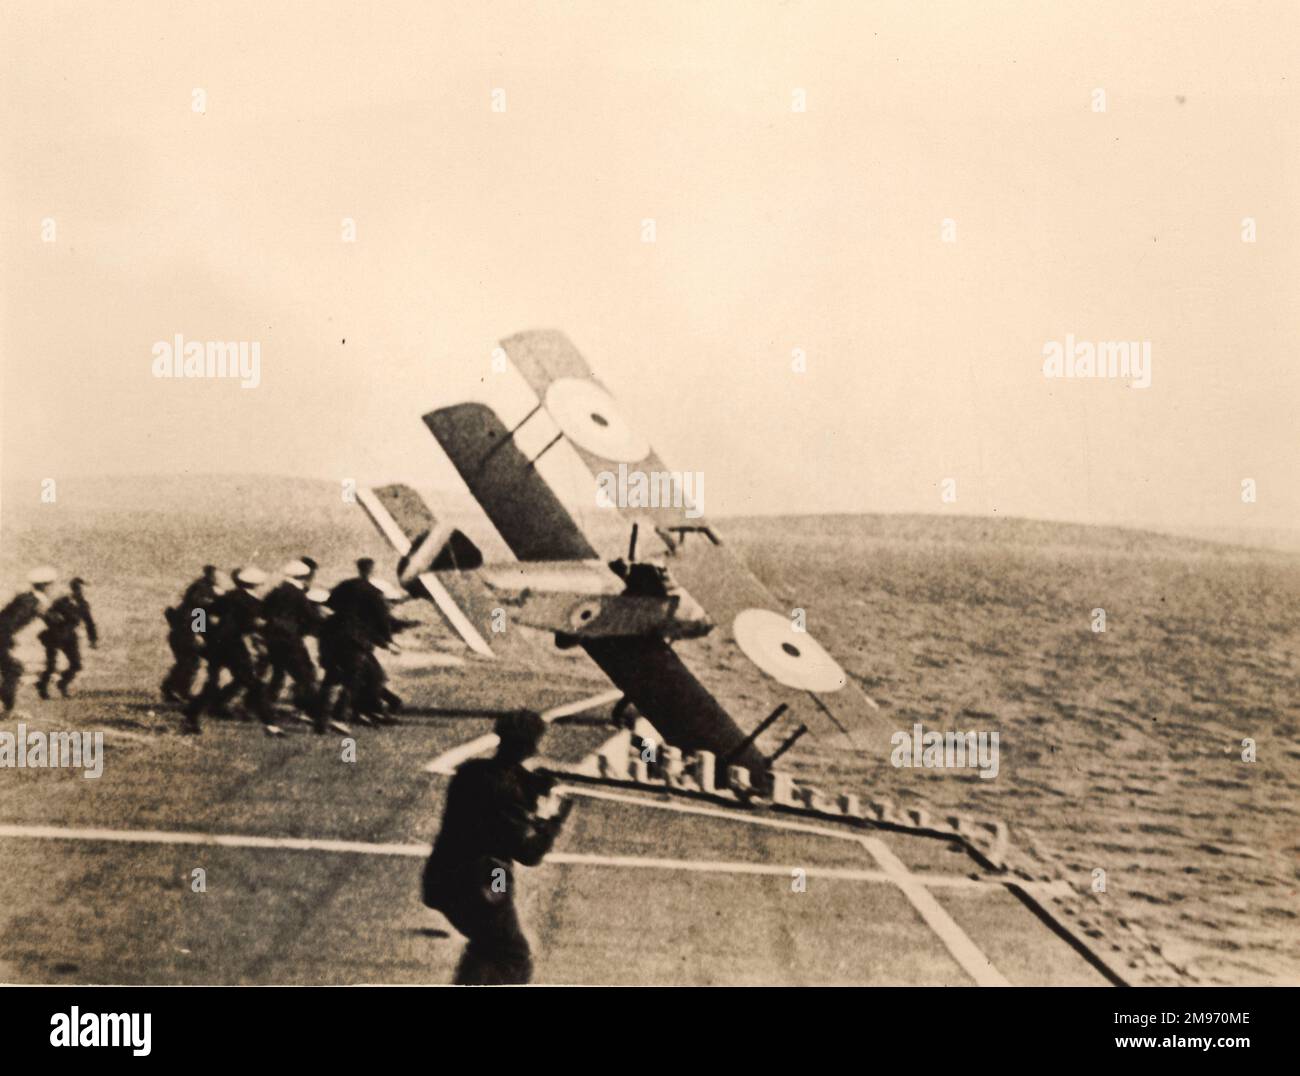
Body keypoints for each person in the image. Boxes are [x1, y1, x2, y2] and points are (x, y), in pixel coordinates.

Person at [421, 710, 574, 984]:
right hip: (485, 882)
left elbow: (495, 782)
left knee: (488, 945)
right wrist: (553, 819)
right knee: (511, 954)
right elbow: (528, 853)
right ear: (531, 746)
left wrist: (529, 784)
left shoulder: (470, 772)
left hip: (443, 877)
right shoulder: (507, 790)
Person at [182, 567, 283, 737]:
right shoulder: (253, 603)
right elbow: (254, 625)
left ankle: (191, 717)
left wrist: (199, 633)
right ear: (257, 584)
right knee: (254, 684)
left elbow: (200, 610)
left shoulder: (229, 596)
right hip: (233, 646)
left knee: (212, 684)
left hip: (215, 644)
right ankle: (270, 725)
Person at [0, 567, 57, 712]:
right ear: (45, 585)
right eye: (51, 584)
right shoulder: (31, 601)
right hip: (2, 636)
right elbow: (10, 620)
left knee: (12, 669)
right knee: (13, 670)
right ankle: (7, 709)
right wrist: (7, 637)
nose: (52, 588)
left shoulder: (29, 598)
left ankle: (7, 707)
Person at [162, 565, 219, 702]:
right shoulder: (201, 595)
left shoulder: (196, 589)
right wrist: (198, 634)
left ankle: (171, 688)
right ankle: (178, 690)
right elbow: (198, 612)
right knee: (190, 662)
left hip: (180, 633)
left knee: (186, 662)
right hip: (186, 634)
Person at [36, 576, 98, 698]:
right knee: (51, 665)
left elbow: (89, 622)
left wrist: (93, 639)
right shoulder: (62, 601)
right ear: (73, 589)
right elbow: (46, 614)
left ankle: (62, 684)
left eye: (82, 589)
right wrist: (54, 619)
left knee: (76, 665)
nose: (80, 592)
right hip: (54, 635)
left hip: (70, 637)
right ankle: (42, 687)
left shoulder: (84, 605)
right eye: (78, 589)